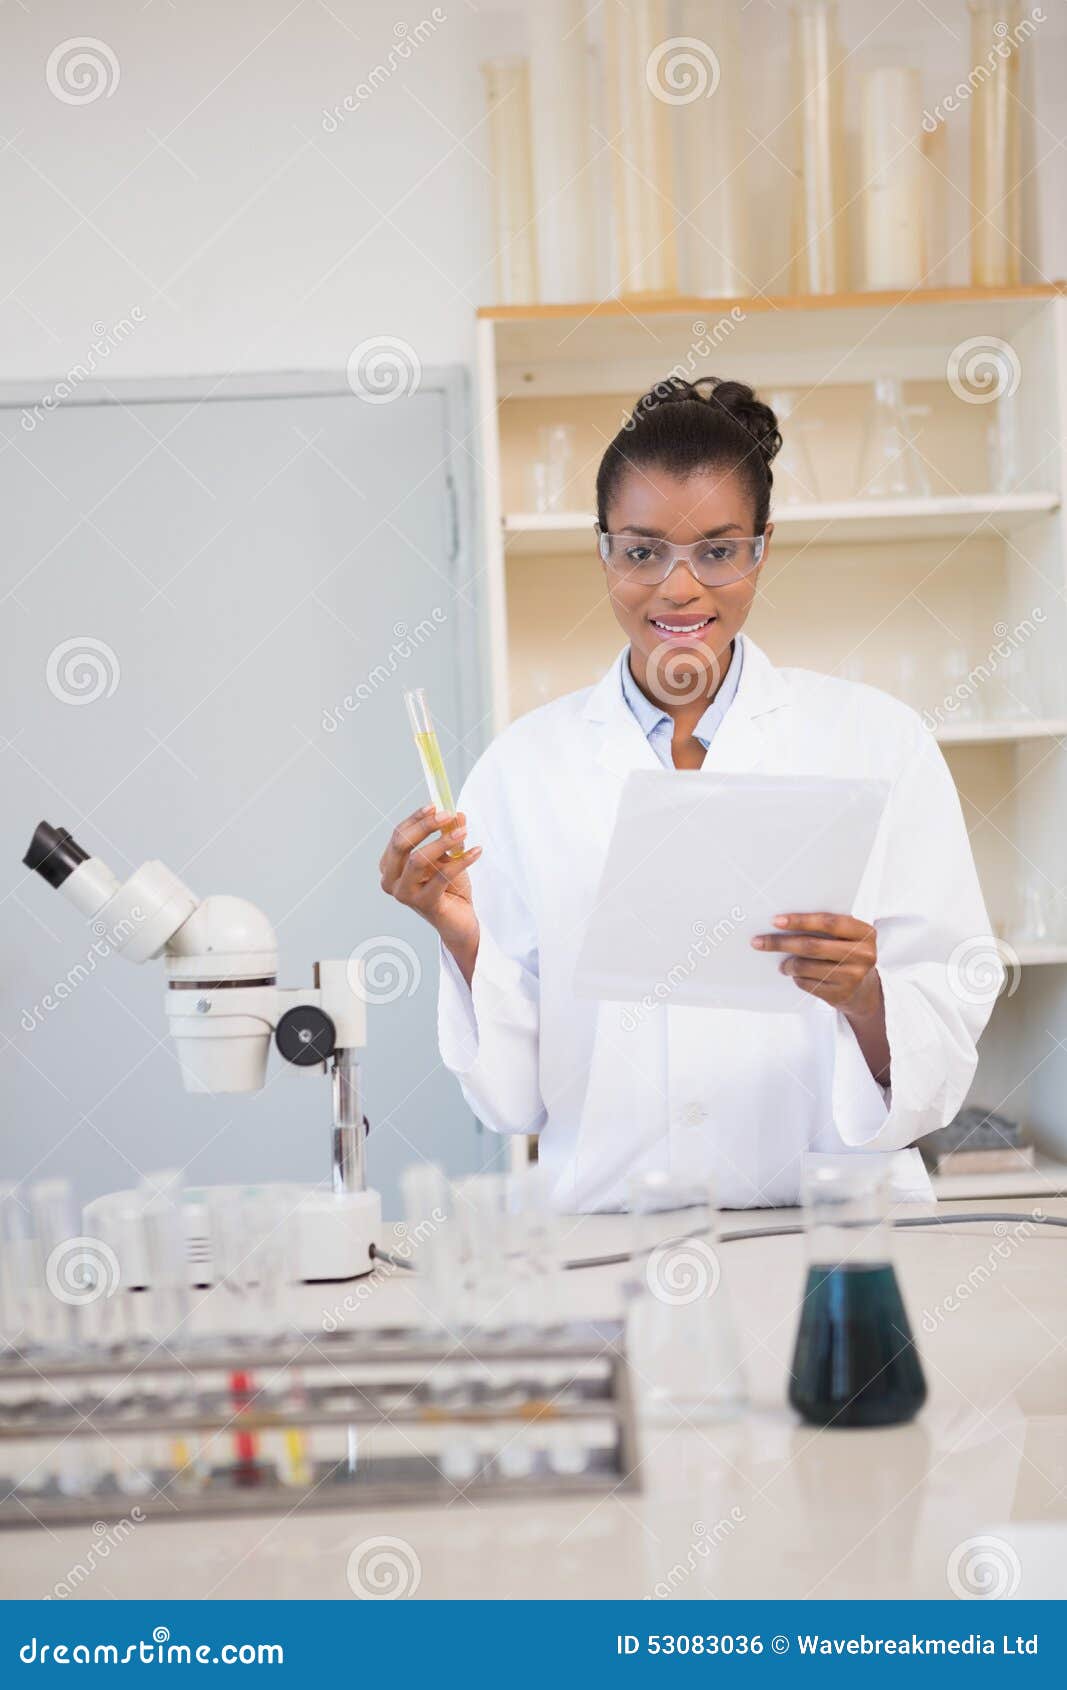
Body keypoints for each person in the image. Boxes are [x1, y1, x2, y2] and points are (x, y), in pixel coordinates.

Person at [380, 376, 1000, 1209]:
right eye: (642, 551)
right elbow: (512, 1102)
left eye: (717, 549)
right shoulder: (521, 769)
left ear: (761, 548)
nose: (679, 589)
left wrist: (867, 996)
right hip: (611, 1232)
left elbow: (947, 1013)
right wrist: (459, 938)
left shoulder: (878, 742)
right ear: (603, 552)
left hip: (836, 1236)